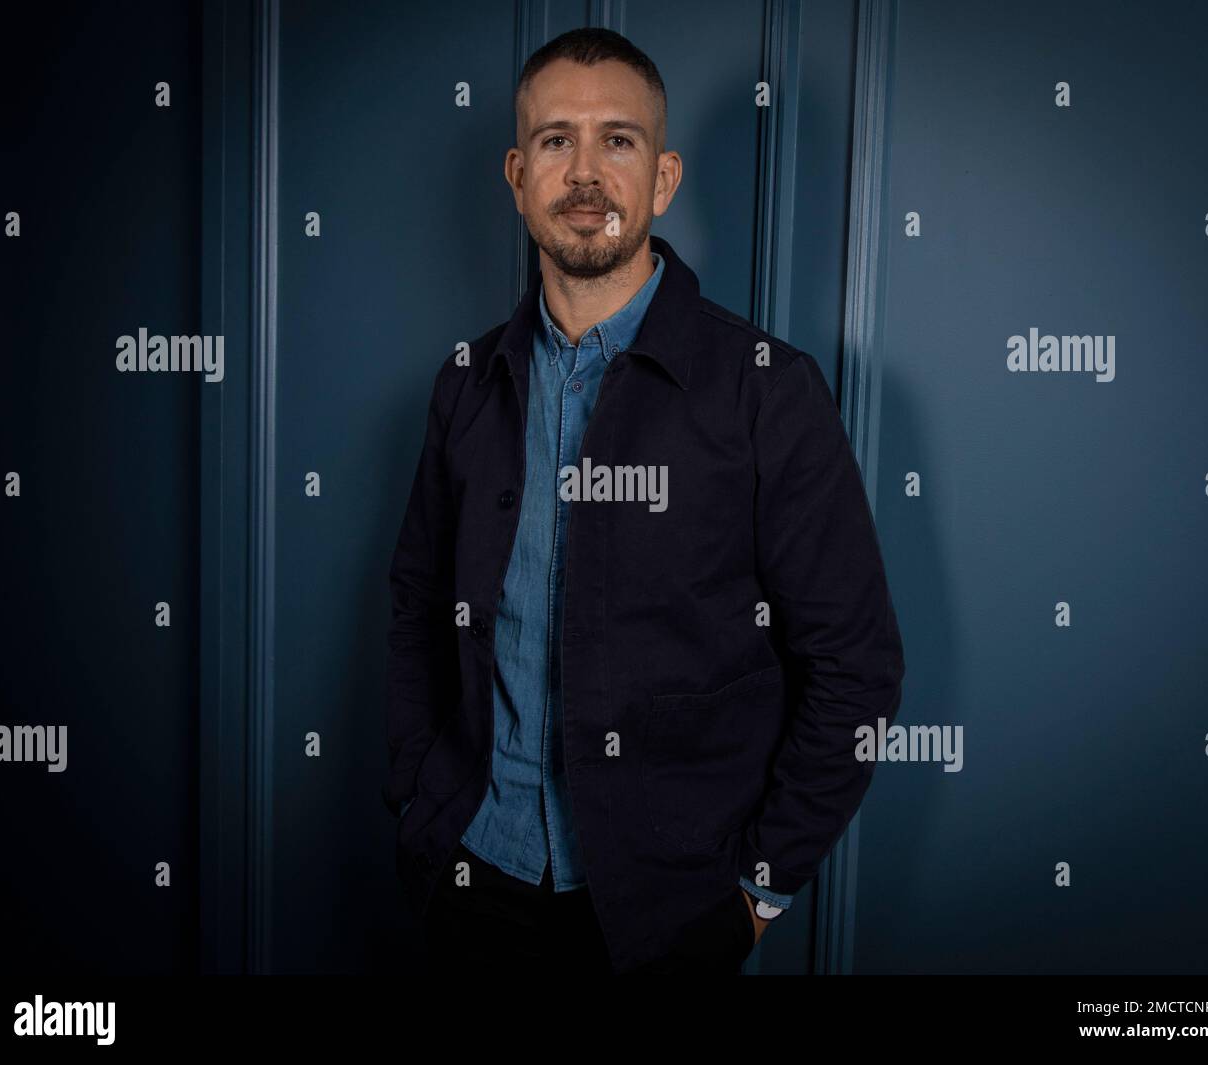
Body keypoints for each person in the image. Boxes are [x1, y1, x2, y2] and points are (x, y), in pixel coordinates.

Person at [383, 27, 905, 975]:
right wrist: (425, 806)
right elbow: (417, 611)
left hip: (667, 914)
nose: (585, 174)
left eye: (617, 141)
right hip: (473, 881)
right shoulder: (465, 386)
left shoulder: (766, 392)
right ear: (516, 173)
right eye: (556, 141)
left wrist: (754, 894)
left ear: (662, 180)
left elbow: (856, 667)